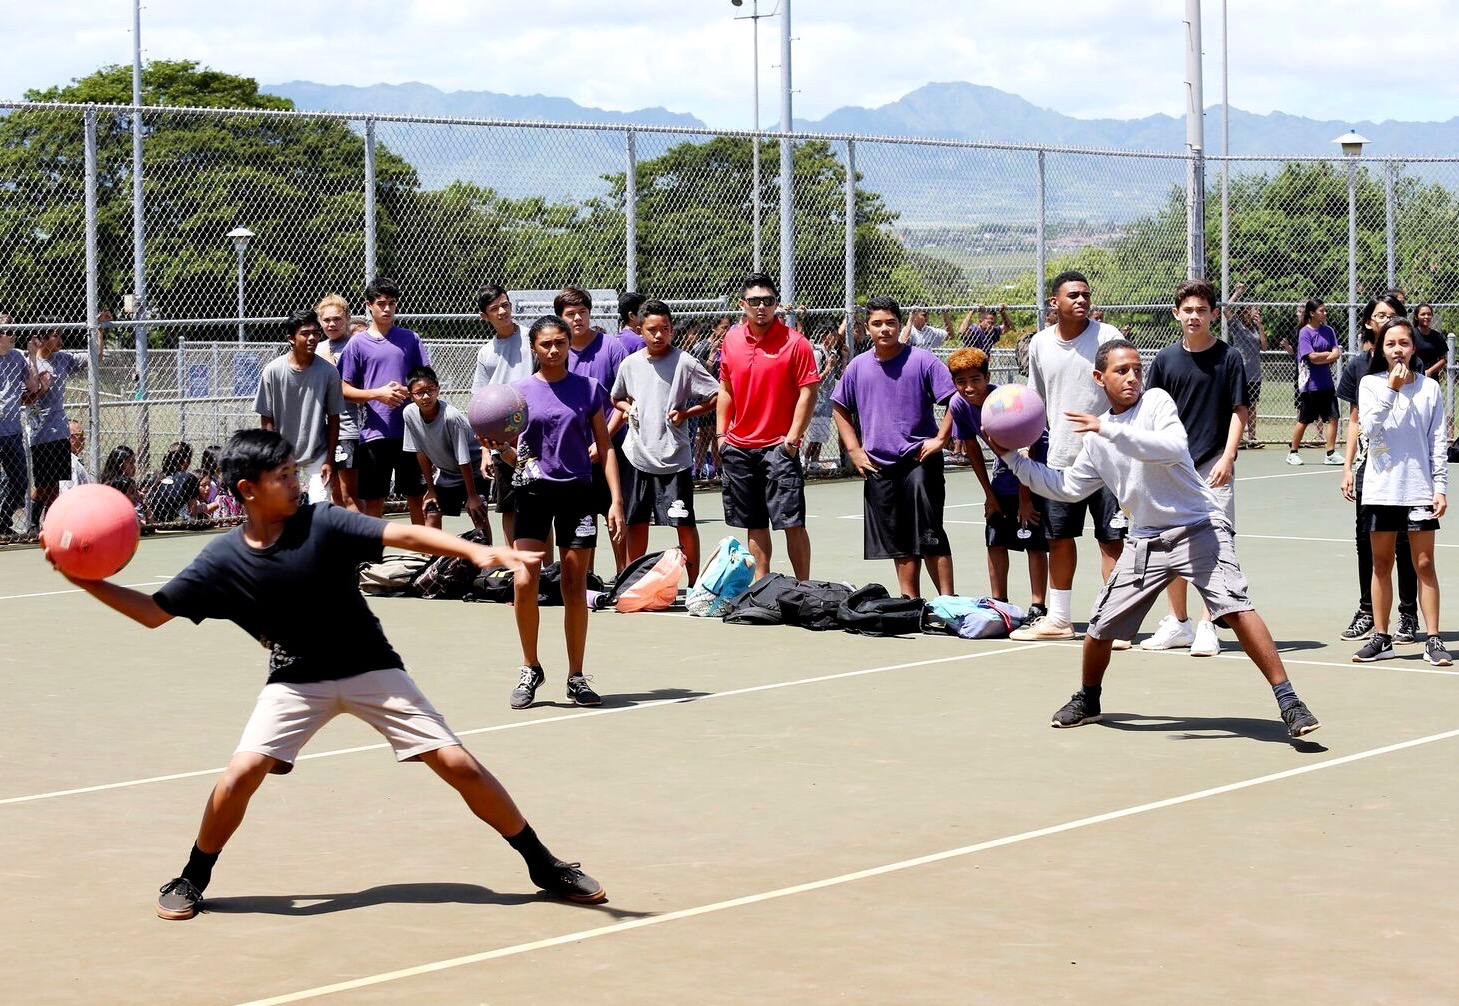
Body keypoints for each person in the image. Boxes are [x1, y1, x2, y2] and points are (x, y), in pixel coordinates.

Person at [46, 428, 604, 921]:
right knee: (241, 774)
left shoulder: (324, 522)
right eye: (283, 475)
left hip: (369, 665)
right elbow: (151, 613)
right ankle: (193, 876)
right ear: (248, 490)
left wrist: (479, 552)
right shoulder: (221, 560)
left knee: (457, 763)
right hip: (296, 677)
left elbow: (401, 535)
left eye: (296, 472)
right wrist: (85, 580)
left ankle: (543, 864)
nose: (296, 482)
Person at [989, 339, 1321, 738]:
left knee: (1235, 607)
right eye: (1120, 370)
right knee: (1099, 627)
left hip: (1198, 527)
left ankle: (1289, 700)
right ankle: (1088, 698)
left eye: (1136, 369)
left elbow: (1169, 448)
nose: (1132, 377)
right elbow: (1069, 487)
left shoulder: (1156, 403)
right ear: (1100, 378)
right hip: (1145, 539)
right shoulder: (1095, 437)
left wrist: (1107, 428)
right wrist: (1012, 460)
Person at [503, 316, 624, 710]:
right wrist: (496, 450)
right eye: (545, 345)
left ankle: (575, 675)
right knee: (525, 581)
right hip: (531, 491)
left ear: (569, 343)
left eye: (560, 343)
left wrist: (615, 500)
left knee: (574, 585)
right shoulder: (518, 393)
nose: (553, 350)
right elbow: (512, 451)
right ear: (534, 349)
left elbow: (604, 447)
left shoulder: (589, 389)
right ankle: (530, 666)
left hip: (577, 493)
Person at [1011, 271, 1127, 643]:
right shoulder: (1040, 344)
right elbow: (1035, 401)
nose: (1081, 300)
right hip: (1061, 459)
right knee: (1059, 538)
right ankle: (1059, 619)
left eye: (1086, 295)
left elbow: (1126, 389)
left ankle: (1114, 621)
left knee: (1111, 539)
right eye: (1073, 295)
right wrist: (1025, 447)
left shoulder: (1107, 337)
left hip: (1109, 458)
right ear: (1054, 303)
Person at [1138, 280, 1250, 657]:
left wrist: (1228, 457)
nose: (1194, 316)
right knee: (1172, 544)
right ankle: (1178, 623)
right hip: (1172, 468)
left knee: (1216, 545)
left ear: (1213, 314)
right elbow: (1149, 413)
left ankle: (1207, 625)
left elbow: (1239, 410)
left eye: (1202, 310)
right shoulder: (1165, 361)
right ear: (1176, 313)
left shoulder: (1229, 357)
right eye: (1188, 310)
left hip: (1213, 465)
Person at [831, 296, 956, 598]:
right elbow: (839, 407)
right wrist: (854, 450)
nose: (884, 329)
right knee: (898, 539)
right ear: (868, 328)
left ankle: (949, 604)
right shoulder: (858, 366)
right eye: (877, 324)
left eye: (890, 323)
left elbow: (955, 399)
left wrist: (940, 438)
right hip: (879, 465)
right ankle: (909, 602)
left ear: (901, 325)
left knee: (929, 533)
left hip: (919, 460)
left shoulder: (922, 360)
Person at [1353, 317, 1451, 666]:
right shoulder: (1369, 384)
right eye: (1390, 344)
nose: (1398, 350)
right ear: (1381, 348)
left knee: (1424, 563)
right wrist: (1392, 390)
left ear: (1413, 348)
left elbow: (1437, 441)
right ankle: (1382, 637)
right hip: (1382, 490)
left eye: (1404, 344)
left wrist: (1439, 487)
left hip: (1419, 489)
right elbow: (1369, 429)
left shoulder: (1429, 388)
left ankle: (1433, 639)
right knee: (1381, 562)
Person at [717, 272, 820, 581]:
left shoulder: (796, 343)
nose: (761, 307)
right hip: (739, 447)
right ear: (742, 304)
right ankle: (761, 586)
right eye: (754, 301)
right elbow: (726, 389)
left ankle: (804, 586)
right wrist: (723, 435)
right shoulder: (731, 339)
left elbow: (809, 391)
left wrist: (791, 440)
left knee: (792, 522)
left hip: (779, 448)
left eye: (768, 301)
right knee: (755, 522)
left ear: (776, 304)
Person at [609, 300, 719, 585]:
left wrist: (686, 413)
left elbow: (716, 395)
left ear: (671, 330)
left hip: (674, 458)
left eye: (665, 329)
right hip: (637, 457)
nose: (659, 335)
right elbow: (616, 397)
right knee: (637, 522)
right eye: (652, 330)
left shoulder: (685, 361)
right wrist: (628, 408)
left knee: (683, 523)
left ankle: (695, 586)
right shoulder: (630, 364)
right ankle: (632, 583)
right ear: (640, 330)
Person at [1337, 296, 1420, 643]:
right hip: (1370, 467)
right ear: (1370, 323)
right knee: (1366, 542)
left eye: (1392, 315)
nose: (1386, 319)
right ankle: (1368, 611)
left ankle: (1408, 613)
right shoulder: (1360, 367)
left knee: (1405, 542)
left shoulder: (1412, 367)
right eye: (1379, 316)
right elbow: (1356, 421)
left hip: (1405, 472)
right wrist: (1347, 467)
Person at [947, 347, 1049, 618]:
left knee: (1034, 538)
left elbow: (1029, 450)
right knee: (995, 536)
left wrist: (1025, 500)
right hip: (1004, 465)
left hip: (1036, 464)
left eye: (975, 379)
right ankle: (999, 603)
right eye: (961, 381)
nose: (969, 387)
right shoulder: (958, 405)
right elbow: (972, 448)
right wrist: (989, 494)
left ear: (987, 376)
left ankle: (1038, 606)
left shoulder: (1005, 400)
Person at [338, 277, 430, 521]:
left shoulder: (411, 339)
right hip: (374, 434)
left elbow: (426, 382)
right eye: (381, 303)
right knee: (374, 500)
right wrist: (377, 394)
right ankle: (373, 556)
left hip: (410, 433)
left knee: (417, 496)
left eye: (391, 303)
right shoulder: (357, 344)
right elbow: (342, 388)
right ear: (369, 305)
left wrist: (408, 392)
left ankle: (424, 554)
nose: (387, 308)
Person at [253, 309, 344, 505]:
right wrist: (273, 456)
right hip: (282, 454)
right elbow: (267, 420)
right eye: (305, 333)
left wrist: (330, 459)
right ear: (291, 338)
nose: (312, 338)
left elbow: (334, 417)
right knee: (284, 507)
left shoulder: (329, 372)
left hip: (318, 454)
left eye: (315, 333)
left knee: (320, 507)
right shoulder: (273, 371)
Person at [472, 284, 535, 544]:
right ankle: (513, 569)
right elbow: (479, 401)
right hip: (502, 440)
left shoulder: (532, 338)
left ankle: (546, 570)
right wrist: (486, 451)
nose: (502, 311)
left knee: (537, 505)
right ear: (484, 316)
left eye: (505, 305)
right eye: (494, 308)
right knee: (509, 506)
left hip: (532, 433)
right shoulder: (486, 352)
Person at [24, 326, 98, 530]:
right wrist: (41, 387)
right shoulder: (30, 362)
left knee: (56, 485)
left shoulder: (63, 358)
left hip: (59, 429)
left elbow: (95, 357)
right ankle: (32, 523)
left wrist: (99, 329)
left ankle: (52, 525)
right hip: (40, 431)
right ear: (42, 338)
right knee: (43, 486)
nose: (60, 339)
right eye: (56, 335)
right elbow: (24, 400)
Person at [401, 366, 490, 534]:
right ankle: (434, 559)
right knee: (432, 512)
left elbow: (463, 459)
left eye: (430, 390)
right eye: (419, 392)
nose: (426, 396)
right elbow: (420, 453)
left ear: (438, 390)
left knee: (478, 513)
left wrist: (472, 496)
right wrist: (431, 490)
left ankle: (487, 557)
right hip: (447, 474)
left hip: (473, 472)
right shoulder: (409, 414)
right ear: (411, 395)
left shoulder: (451, 417)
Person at [315, 293, 362, 511]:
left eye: (337, 319)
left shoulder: (356, 345)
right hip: (323, 431)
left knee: (348, 493)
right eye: (326, 320)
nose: (332, 324)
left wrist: (332, 368)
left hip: (349, 427)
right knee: (334, 493)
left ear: (347, 318)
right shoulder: (317, 348)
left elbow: (357, 388)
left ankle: (362, 542)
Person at [1287, 298, 1343, 466]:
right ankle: (1293, 452)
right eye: (1321, 311)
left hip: (1327, 383)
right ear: (1312, 313)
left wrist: (1323, 357)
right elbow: (1311, 357)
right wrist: (1327, 357)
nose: (1325, 313)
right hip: (1310, 385)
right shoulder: (1304, 332)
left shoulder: (1329, 331)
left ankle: (1330, 453)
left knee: (1333, 417)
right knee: (1304, 419)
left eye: (1325, 310)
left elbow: (1336, 353)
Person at [0, 318, 37, 537]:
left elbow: (32, 386)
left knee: (20, 481)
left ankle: (2, 519)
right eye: (8, 331)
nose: (13, 334)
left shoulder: (16, 357)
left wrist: (32, 355)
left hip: (12, 431)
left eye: (14, 329)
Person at [1224, 284, 1267, 449]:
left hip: (1255, 373)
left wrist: (1261, 325)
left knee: (1253, 406)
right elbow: (1225, 309)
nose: (1256, 313)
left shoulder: (1256, 329)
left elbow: (1264, 347)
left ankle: (1252, 438)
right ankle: (1238, 438)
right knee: (1238, 404)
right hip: (1240, 372)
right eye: (1253, 310)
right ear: (1245, 312)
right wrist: (1237, 293)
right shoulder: (1237, 326)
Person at [805, 327, 848, 469]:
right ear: (824, 337)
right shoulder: (818, 354)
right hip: (818, 398)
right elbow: (815, 379)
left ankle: (815, 460)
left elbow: (840, 376)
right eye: (832, 336)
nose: (834, 339)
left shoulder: (833, 353)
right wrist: (829, 367)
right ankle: (807, 459)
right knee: (816, 434)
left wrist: (844, 359)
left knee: (822, 434)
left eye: (836, 337)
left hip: (827, 398)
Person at [145, 442, 207, 522]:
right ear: (186, 460)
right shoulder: (190, 478)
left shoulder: (157, 476)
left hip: (156, 520)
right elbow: (193, 511)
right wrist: (206, 507)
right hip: (178, 521)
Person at [1412, 303, 1450, 381]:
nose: (1426, 317)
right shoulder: (1410, 335)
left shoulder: (1437, 336)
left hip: (1431, 377)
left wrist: (1430, 371)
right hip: (1413, 375)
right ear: (1416, 317)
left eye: (1429, 314)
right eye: (1423, 314)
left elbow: (1443, 360)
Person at [64, 418, 93, 489]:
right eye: (80, 434)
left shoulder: (73, 460)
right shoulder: (69, 462)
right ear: (68, 437)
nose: (84, 438)